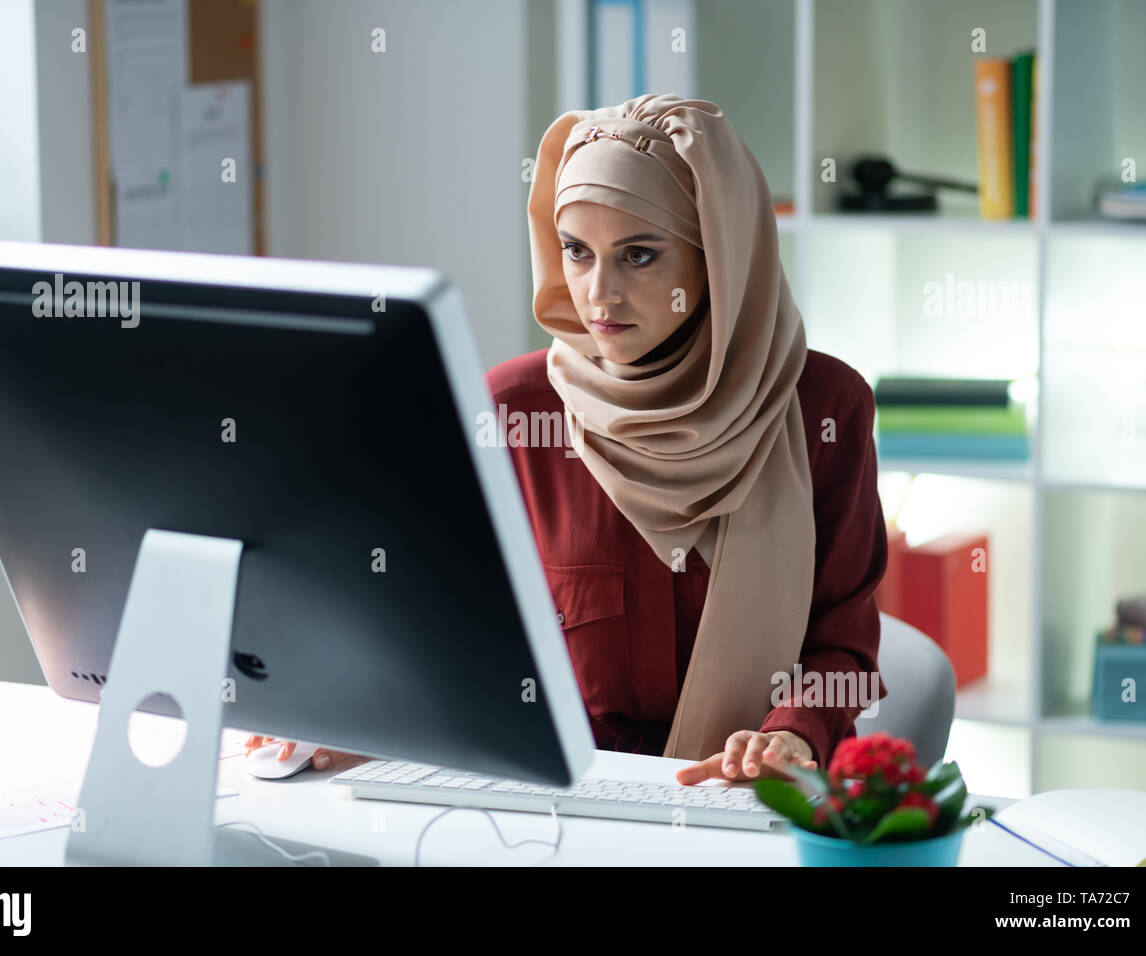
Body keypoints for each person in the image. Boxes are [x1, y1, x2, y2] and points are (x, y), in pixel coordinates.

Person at [249, 93, 888, 786]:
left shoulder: (822, 409)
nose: (599, 294)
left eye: (639, 256)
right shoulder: (514, 411)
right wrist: (357, 715)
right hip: (559, 805)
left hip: (749, 802)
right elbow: (449, 632)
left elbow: (843, 644)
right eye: (577, 253)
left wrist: (791, 735)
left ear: (721, 259)